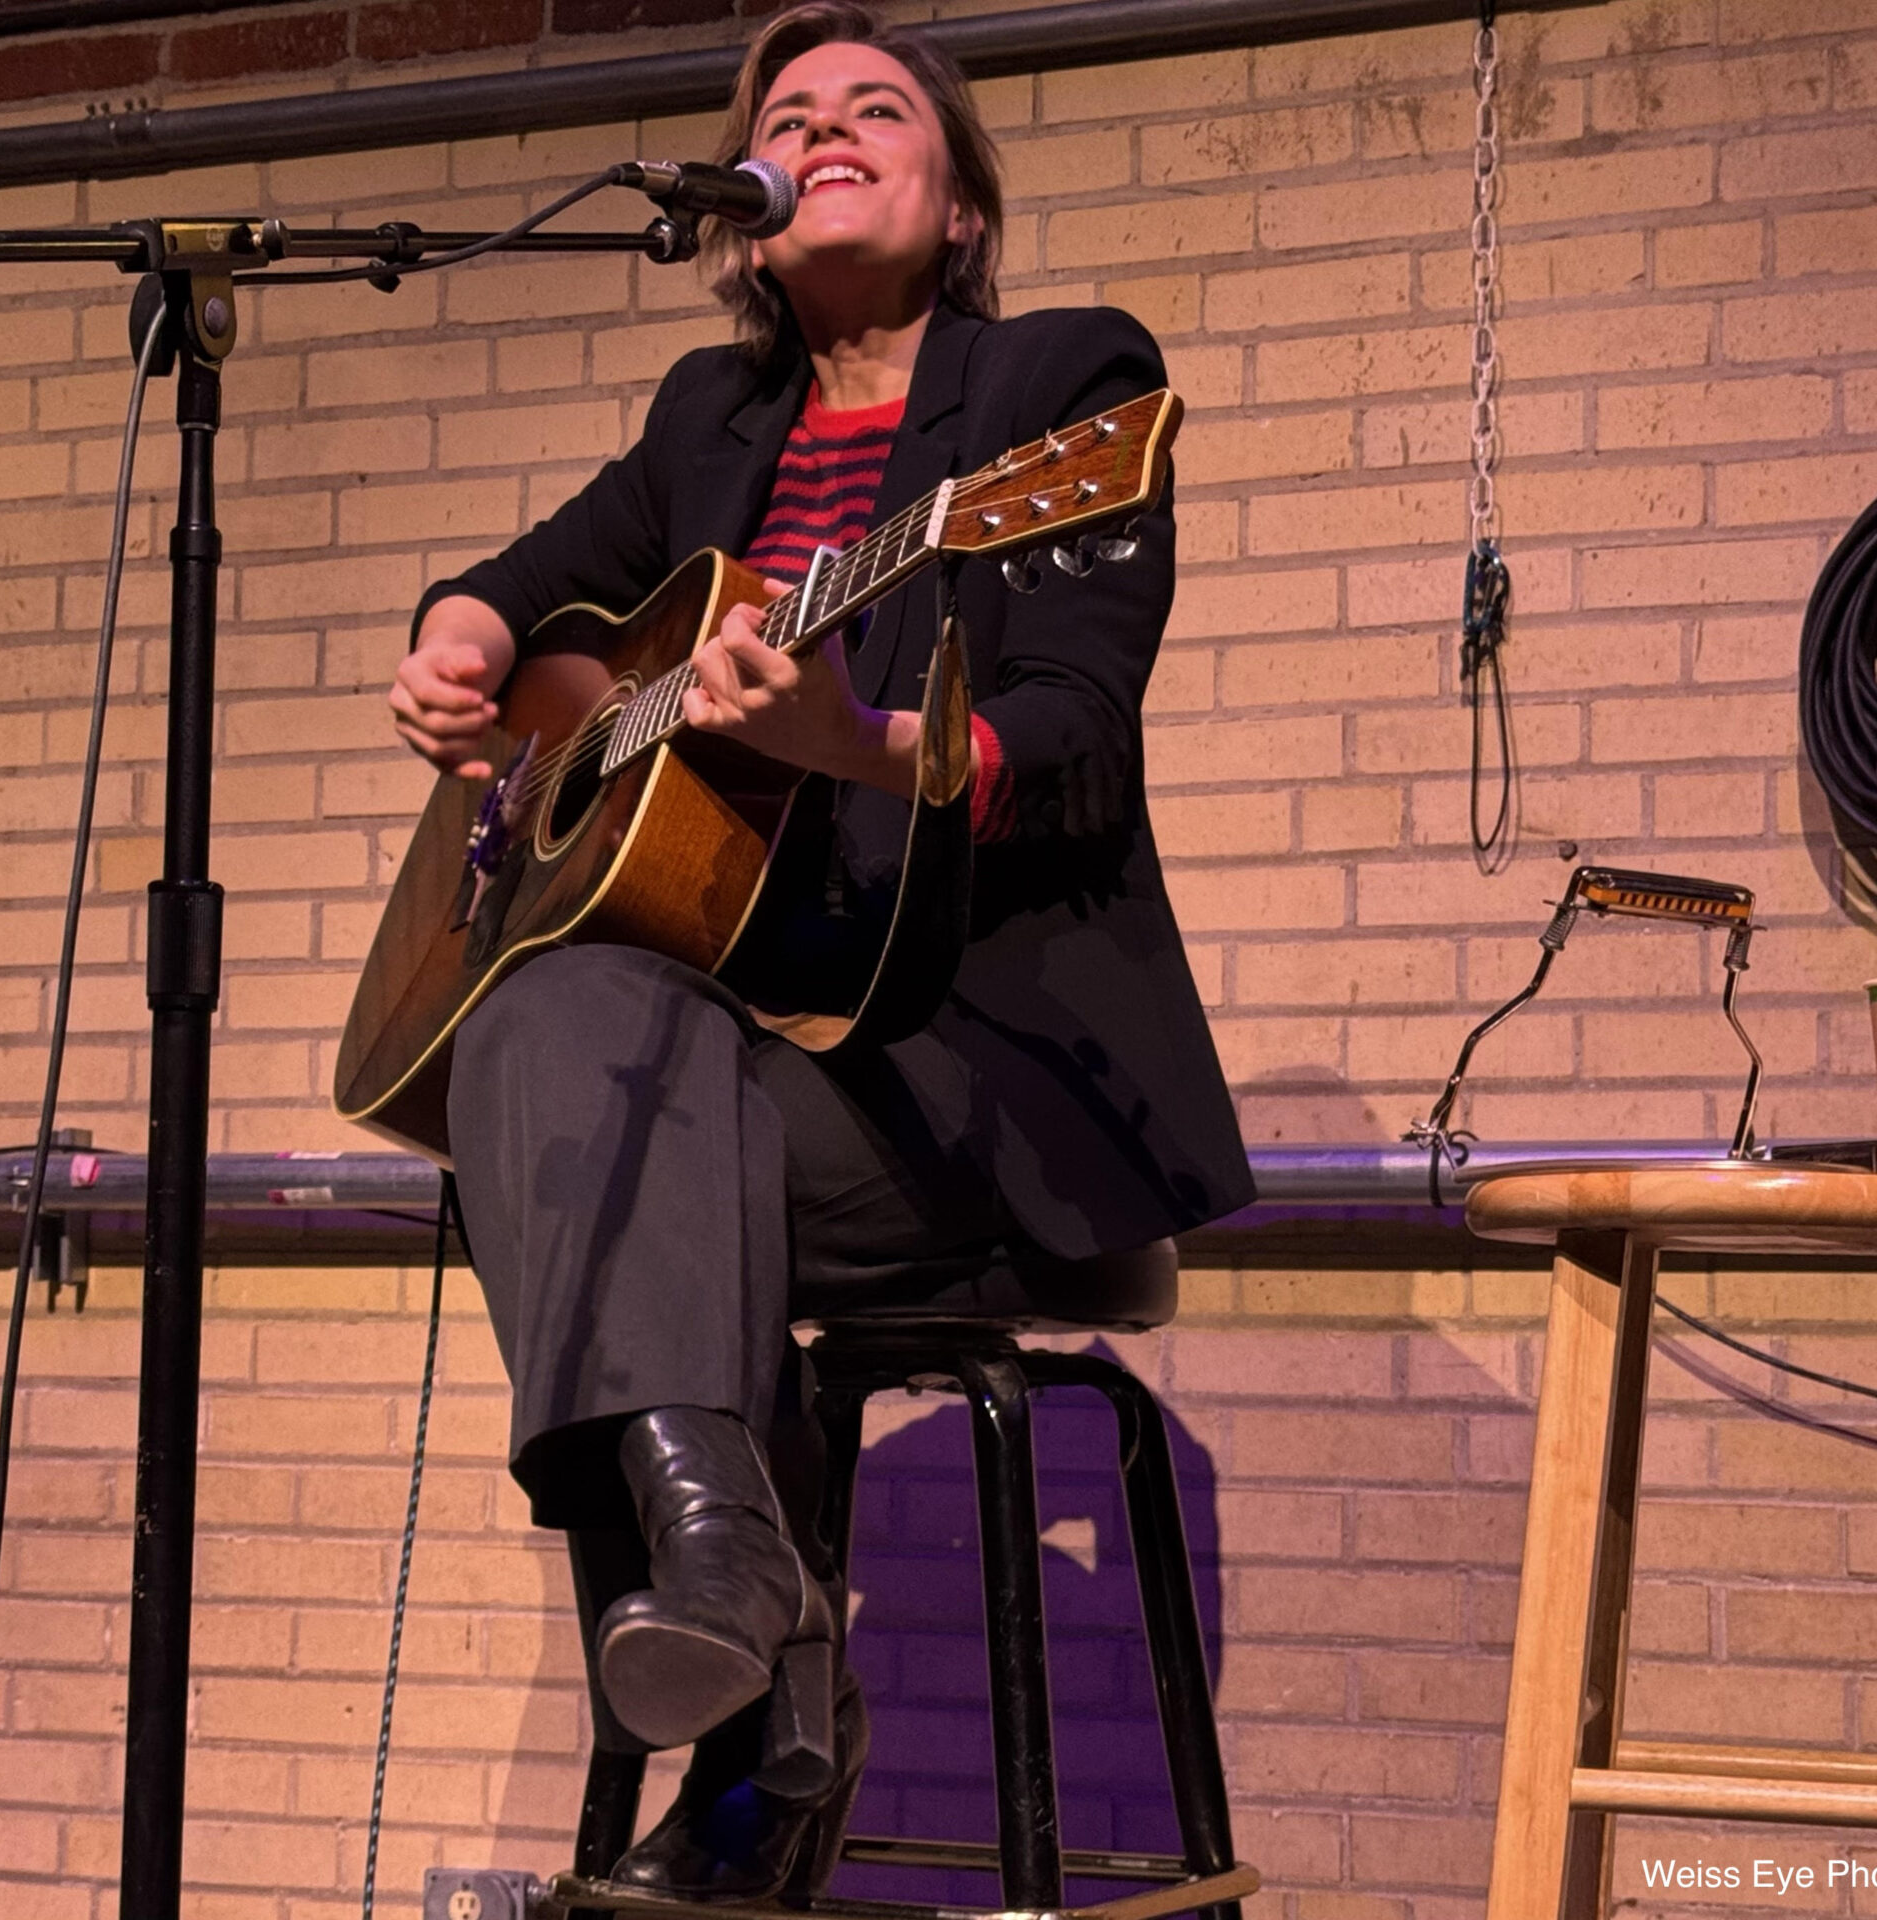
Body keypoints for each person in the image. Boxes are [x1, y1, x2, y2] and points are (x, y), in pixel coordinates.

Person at [388, 3, 1253, 1900]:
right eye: (791, 116)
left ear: (957, 210)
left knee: (584, 1152)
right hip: (748, 1055)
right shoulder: (713, 424)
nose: (830, 127)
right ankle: (759, 1626)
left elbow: (1079, 745)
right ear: (744, 211)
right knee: (557, 1029)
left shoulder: (1061, 392)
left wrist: (845, 744)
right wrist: (465, 629)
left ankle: (773, 1680)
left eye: (879, 107)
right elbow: (535, 584)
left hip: (978, 1069)